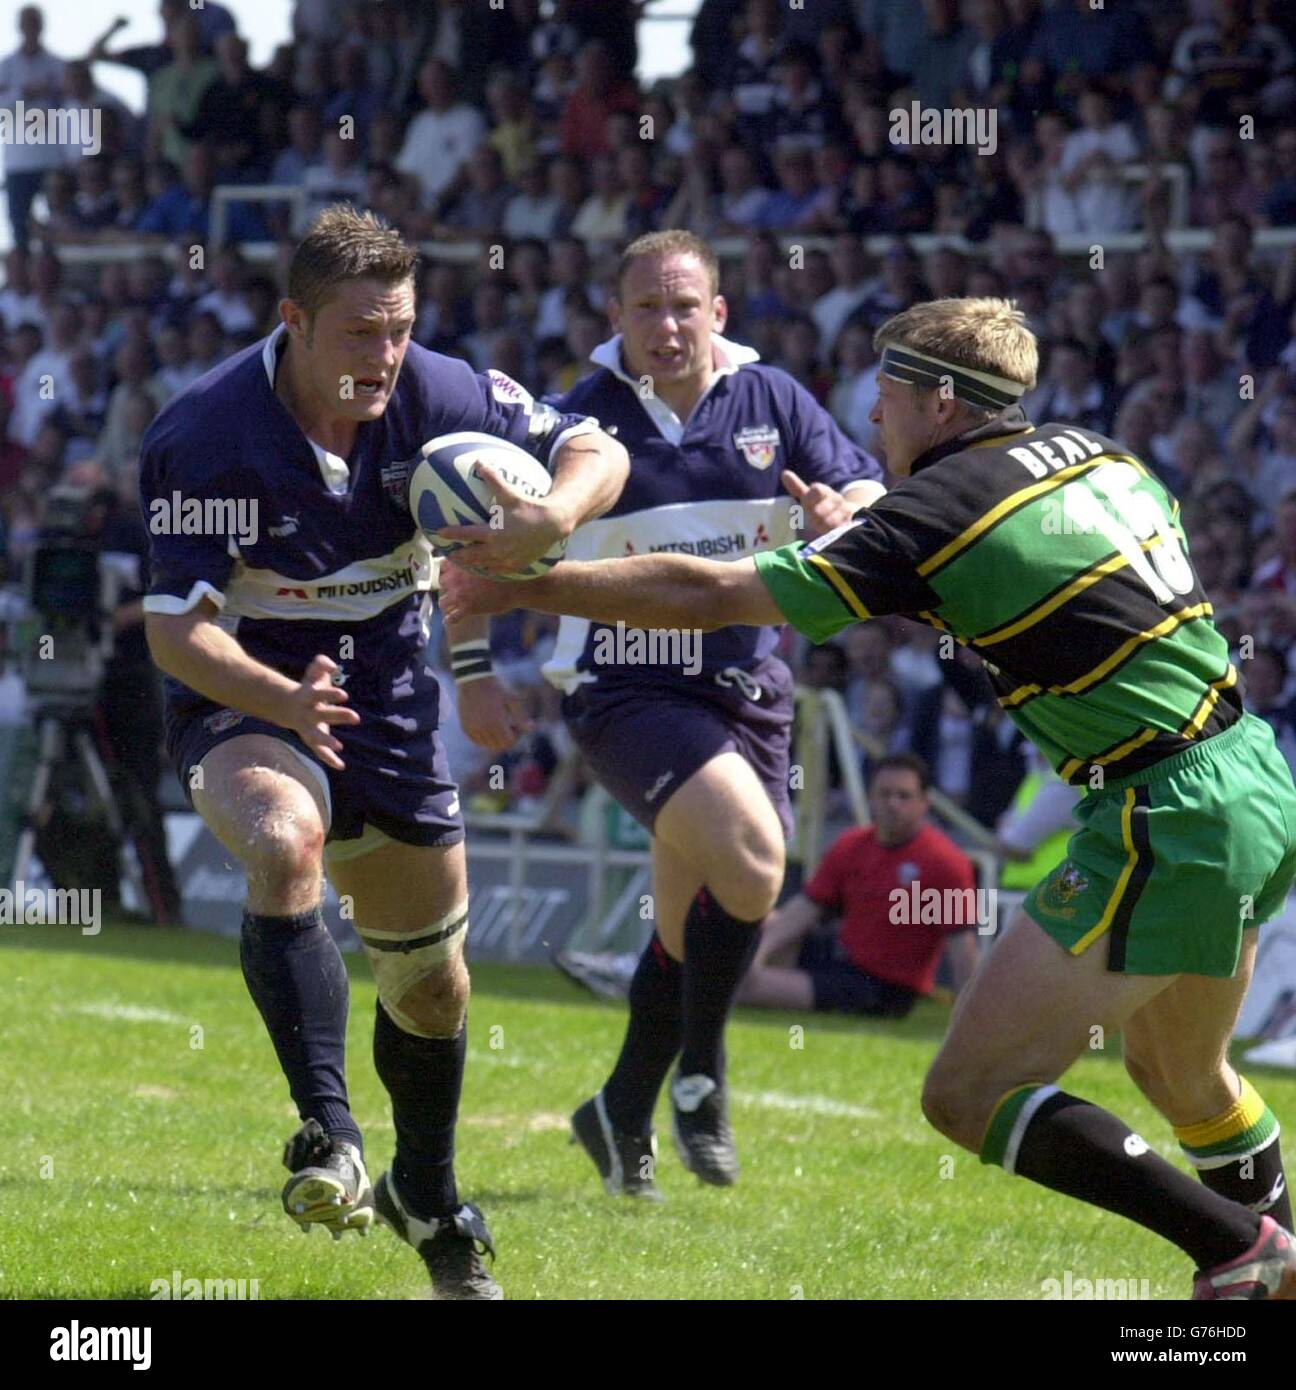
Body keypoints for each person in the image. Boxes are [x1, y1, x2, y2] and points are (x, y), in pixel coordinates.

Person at [441, 295, 1296, 1299]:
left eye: (884, 391)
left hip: (1165, 811)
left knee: (970, 1089)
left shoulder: (932, 516)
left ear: (940, 401)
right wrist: (872, 539)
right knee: (1182, 1074)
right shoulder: (1094, 452)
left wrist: (525, 587)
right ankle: (1271, 1248)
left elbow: (710, 595)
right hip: (1255, 774)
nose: (869, 413)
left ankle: (1245, 1252)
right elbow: (1015, 566)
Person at [140, 205, 629, 1299]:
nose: (384, 355)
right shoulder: (206, 433)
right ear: (294, 322)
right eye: (359, 332)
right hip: (247, 691)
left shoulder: (438, 393)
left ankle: (430, 1193)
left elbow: (601, 445)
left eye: (399, 328)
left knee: (432, 987)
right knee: (283, 838)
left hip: (388, 698)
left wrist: (552, 513)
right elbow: (176, 630)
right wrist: (280, 695)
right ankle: (327, 1133)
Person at [495, 228, 882, 1198]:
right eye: (645, 310)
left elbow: (868, 488)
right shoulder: (577, 420)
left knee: (693, 919)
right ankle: (702, 1078)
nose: (666, 327)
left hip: (748, 691)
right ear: (613, 320)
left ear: (717, 313)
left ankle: (621, 1107)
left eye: (684, 307)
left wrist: (846, 513)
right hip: (624, 685)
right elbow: (506, 551)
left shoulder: (773, 400)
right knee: (755, 861)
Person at [739, 754, 981, 1015]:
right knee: (751, 927)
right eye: (885, 794)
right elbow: (806, 907)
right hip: (837, 956)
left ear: (924, 803)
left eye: (903, 796)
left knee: (746, 985)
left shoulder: (944, 862)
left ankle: (700, 992)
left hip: (880, 986)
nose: (893, 803)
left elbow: (962, 945)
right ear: (871, 798)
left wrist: (973, 1012)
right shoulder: (853, 843)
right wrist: (760, 949)